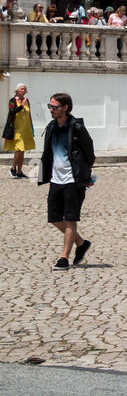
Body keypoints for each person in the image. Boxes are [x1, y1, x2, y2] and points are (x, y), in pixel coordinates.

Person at [39, 93, 95, 270]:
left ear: (65, 108)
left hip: (73, 180)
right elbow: (48, 154)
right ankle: (81, 243)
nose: (51, 110)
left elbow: (89, 153)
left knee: (70, 219)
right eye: (50, 106)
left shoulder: (76, 127)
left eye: (54, 107)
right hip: (56, 180)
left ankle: (64, 257)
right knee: (54, 218)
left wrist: (84, 175)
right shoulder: (51, 127)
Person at [3, 84, 35, 177]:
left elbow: (29, 114)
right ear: (17, 90)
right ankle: (13, 168)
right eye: (22, 88)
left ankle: (19, 171)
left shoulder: (27, 101)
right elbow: (12, 111)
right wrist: (21, 105)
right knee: (19, 149)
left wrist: (31, 127)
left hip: (25, 129)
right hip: (16, 128)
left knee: (22, 150)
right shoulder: (12, 101)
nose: (24, 90)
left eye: (25, 89)